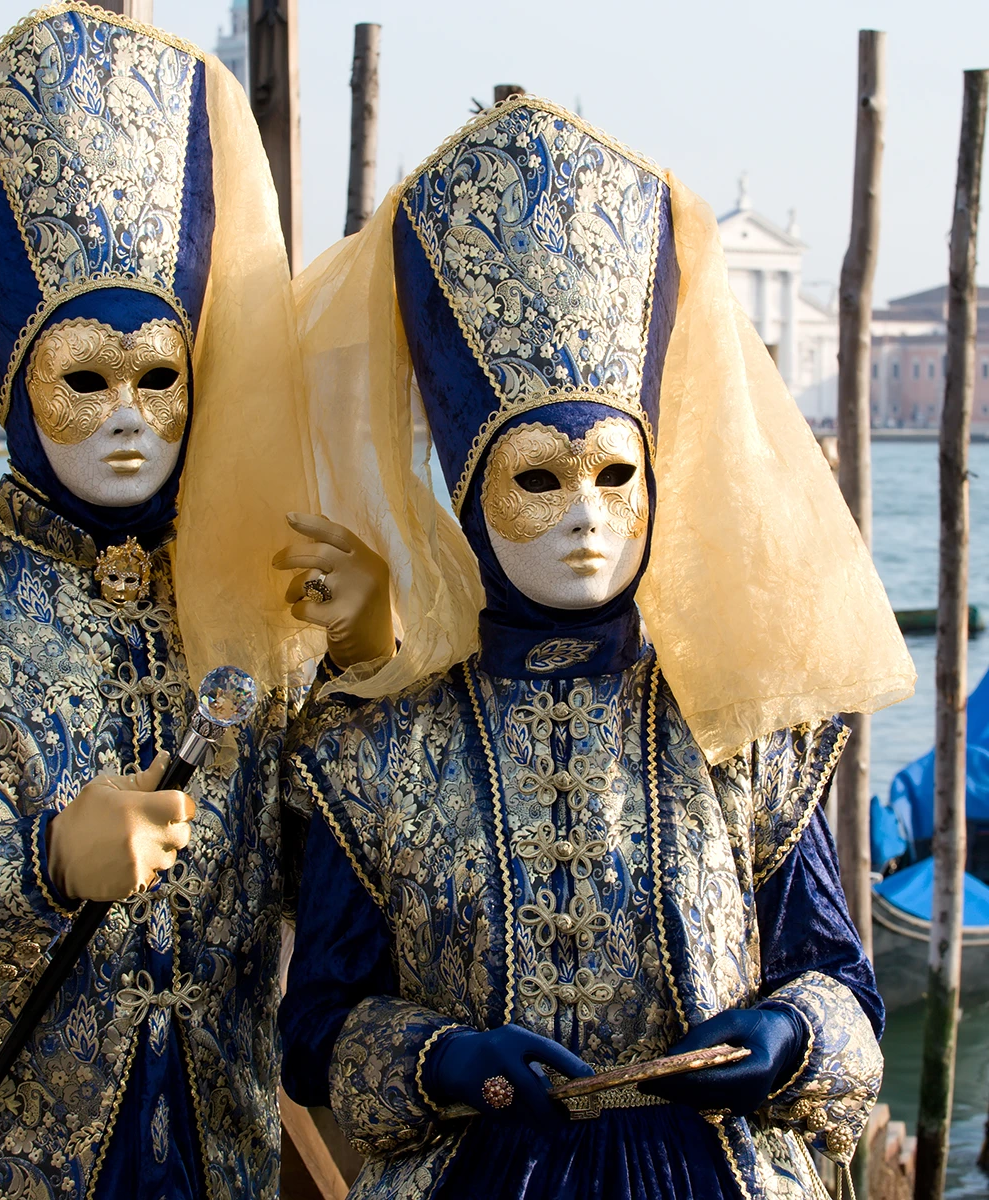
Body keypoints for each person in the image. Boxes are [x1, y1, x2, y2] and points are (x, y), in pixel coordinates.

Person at [0, 6, 390, 1198]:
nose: (129, 416)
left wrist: (366, 657)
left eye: (160, 376)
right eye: (84, 379)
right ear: (13, 373)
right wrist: (36, 865)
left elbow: (349, 872)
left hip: (211, 1158)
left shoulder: (245, 591)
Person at [277, 96, 917, 1200]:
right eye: (538, 477)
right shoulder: (378, 740)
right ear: (472, 492)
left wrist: (791, 1039)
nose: (587, 517)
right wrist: (446, 1065)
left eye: (616, 475)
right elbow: (321, 1034)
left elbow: (844, 989)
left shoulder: (733, 714)